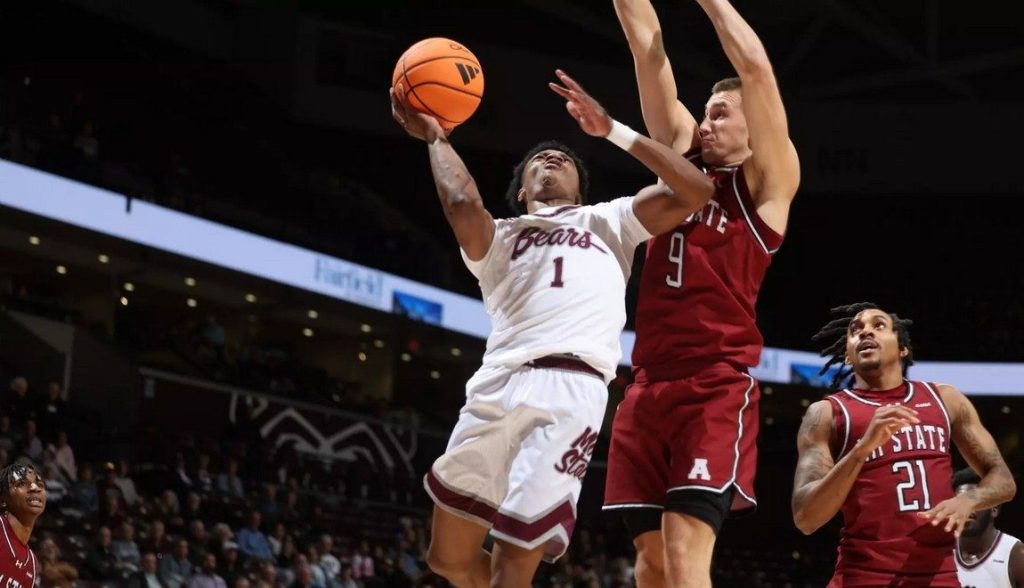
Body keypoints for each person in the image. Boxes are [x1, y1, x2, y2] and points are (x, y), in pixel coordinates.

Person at [390, 65, 715, 587]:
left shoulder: (609, 221)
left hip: (570, 387)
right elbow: (459, 201)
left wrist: (611, 129)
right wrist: (435, 135)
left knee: (514, 560)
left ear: (580, 191)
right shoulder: (498, 238)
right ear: (521, 192)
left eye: (562, 159)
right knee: (447, 558)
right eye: (539, 160)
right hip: (495, 385)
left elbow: (696, 191)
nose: (551, 158)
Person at [606, 1, 800, 585]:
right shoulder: (681, 158)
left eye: (720, 113)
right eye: (706, 114)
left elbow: (758, 72)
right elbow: (647, 44)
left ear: (752, 127)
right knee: (652, 564)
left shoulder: (766, 184)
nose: (706, 124)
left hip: (713, 382)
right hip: (645, 383)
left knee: (688, 552)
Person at [792, 303, 1016, 586]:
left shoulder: (946, 399)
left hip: (938, 576)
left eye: (879, 325)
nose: (865, 332)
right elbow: (805, 518)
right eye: (855, 330)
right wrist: (861, 450)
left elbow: (1004, 480)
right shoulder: (826, 414)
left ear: (902, 349)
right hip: (862, 576)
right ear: (848, 356)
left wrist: (968, 500)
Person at [953, 467, 1024, 588]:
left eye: (973, 501)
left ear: (994, 509)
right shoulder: (941, 552)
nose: (965, 508)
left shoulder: (1017, 557)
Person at [0, 458, 46, 587]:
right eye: (21, 484)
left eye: (40, 484)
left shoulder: (31, 563)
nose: (34, 488)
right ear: (3, 499)